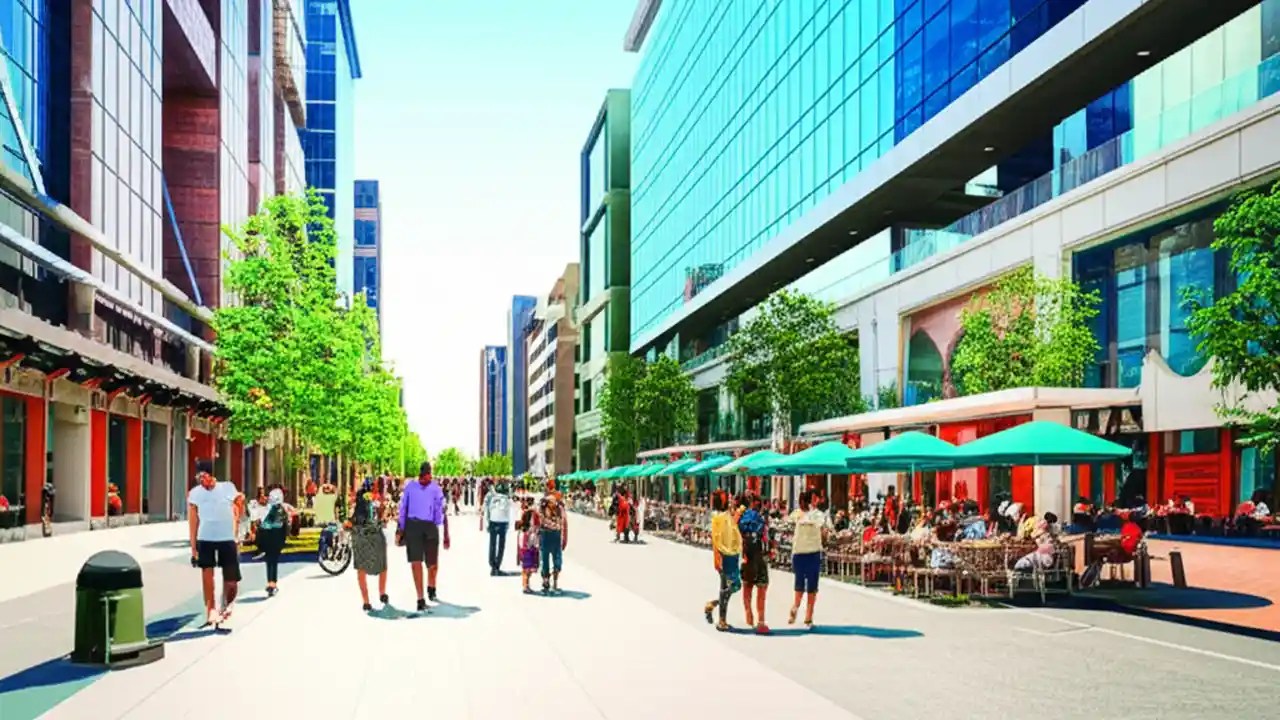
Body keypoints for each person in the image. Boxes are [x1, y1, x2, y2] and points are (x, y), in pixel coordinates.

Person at [187, 459, 242, 627]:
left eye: (203, 476)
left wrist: (236, 531)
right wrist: (193, 548)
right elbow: (193, 521)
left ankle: (227, 605)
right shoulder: (195, 493)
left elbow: (238, 504)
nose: (201, 480)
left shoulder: (227, 488)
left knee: (231, 578)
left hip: (227, 538)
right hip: (206, 538)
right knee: (207, 576)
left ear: (211, 475)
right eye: (198, 477)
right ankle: (211, 610)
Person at [397, 461, 450, 612]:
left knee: (432, 564)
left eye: (428, 474)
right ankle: (420, 598)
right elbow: (403, 507)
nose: (426, 477)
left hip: (430, 526)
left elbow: (440, 508)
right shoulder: (410, 487)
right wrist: (401, 527)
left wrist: (442, 527)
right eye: (424, 474)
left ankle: (431, 585)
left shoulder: (435, 488)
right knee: (416, 562)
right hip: (413, 525)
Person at [703, 490, 741, 632]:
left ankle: (721, 618)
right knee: (735, 586)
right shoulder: (717, 517)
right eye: (727, 498)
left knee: (725, 587)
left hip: (732, 553)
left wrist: (737, 513)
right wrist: (716, 557)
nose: (729, 499)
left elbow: (732, 527)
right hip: (725, 555)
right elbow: (715, 539)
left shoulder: (725, 515)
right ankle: (715, 608)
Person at [788, 489, 826, 629]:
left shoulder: (796, 513)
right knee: (812, 588)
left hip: (798, 552)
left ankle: (795, 606)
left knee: (799, 583)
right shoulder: (818, 515)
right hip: (813, 553)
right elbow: (825, 530)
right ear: (813, 499)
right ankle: (808, 618)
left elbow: (788, 523)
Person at [353, 478, 390, 612]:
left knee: (361, 567)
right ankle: (382, 593)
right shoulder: (377, 499)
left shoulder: (357, 497)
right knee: (382, 565)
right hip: (375, 534)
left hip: (359, 534)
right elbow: (381, 520)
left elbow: (353, 516)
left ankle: (366, 601)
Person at [739, 494, 770, 634]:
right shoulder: (762, 519)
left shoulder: (742, 518)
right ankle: (761, 621)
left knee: (747, 586)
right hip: (759, 556)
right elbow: (766, 539)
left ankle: (748, 613)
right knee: (762, 588)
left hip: (747, 556)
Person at [256, 487, 293, 597]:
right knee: (272, 561)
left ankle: (271, 583)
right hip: (275, 539)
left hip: (270, 538)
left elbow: (263, 524)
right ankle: (272, 583)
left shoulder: (271, 510)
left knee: (270, 561)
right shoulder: (281, 510)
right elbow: (286, 527)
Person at [537, 491, 568, 594]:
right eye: (552, 501)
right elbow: (541, 520)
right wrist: (555, 525)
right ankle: (546, 581)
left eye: (555, 501)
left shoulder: (559, 508)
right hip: (545, 535)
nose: (554, 503)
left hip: (556, 536)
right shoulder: (542, 508)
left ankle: (555, 583)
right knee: (545, 560)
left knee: (557, 560)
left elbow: (563, 522)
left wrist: (564, 538)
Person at [485, 480, 512, 575]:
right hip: (503, 523)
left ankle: (492, 566)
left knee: (492, 544)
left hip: (493, 521)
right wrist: (508, 524)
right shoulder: (507, 499)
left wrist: (487, 523)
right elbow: (508, 513)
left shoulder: (492, 497)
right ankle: (497, 566)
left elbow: (488, 510)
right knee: (501, 545)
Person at [517, 509, 539, 594]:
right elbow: (535, 542)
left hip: (524, 551)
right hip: (529, 551)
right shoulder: (530, 532)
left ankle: (525, 585)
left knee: (526, 569)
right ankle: (526, 586)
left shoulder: (522, 531)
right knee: (527, 570)